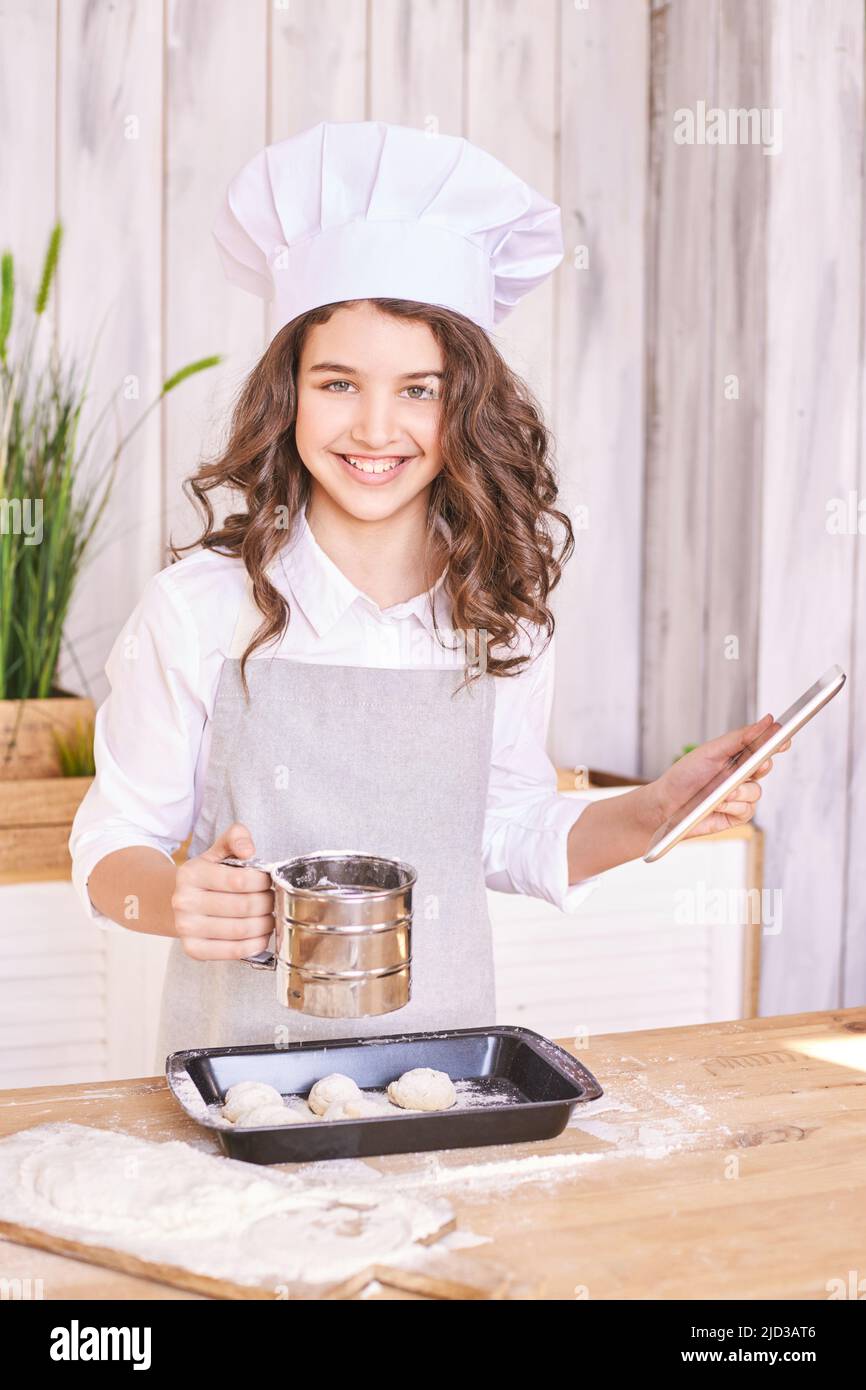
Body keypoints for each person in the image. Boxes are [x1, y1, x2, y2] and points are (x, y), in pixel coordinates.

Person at [69, 121, 787, 1068]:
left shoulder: (502, 616)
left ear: (468, 408)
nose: (376, 426)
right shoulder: (198, 608)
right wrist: (175, 898)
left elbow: (506, 830)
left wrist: (654, 813)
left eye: (420, 389)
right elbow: (113, 849)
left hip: (444, 1077)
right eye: (338, 382)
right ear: (287, 397)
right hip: (239, 1087)